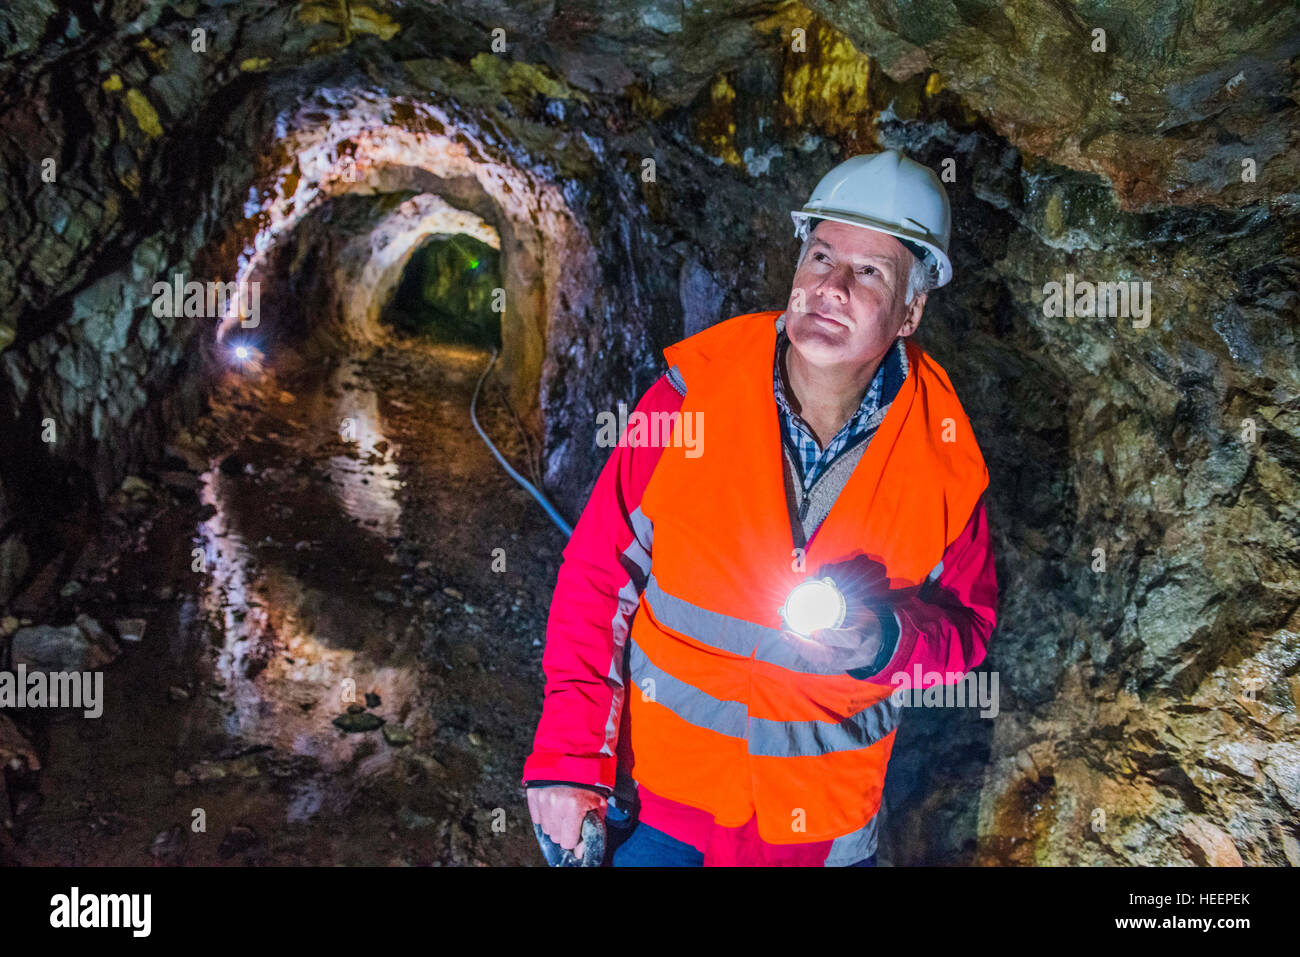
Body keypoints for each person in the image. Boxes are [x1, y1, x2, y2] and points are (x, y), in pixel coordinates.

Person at [524, 149, 997, 866]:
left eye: (869, 271)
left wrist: (885, 643)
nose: (830, 287)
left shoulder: (947, 459)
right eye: (819, 256)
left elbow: (968, 632)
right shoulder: (689, 397)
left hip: (820, 831)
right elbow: (598, 573)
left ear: (911, 310)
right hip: (660, 807)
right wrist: (568, 755)